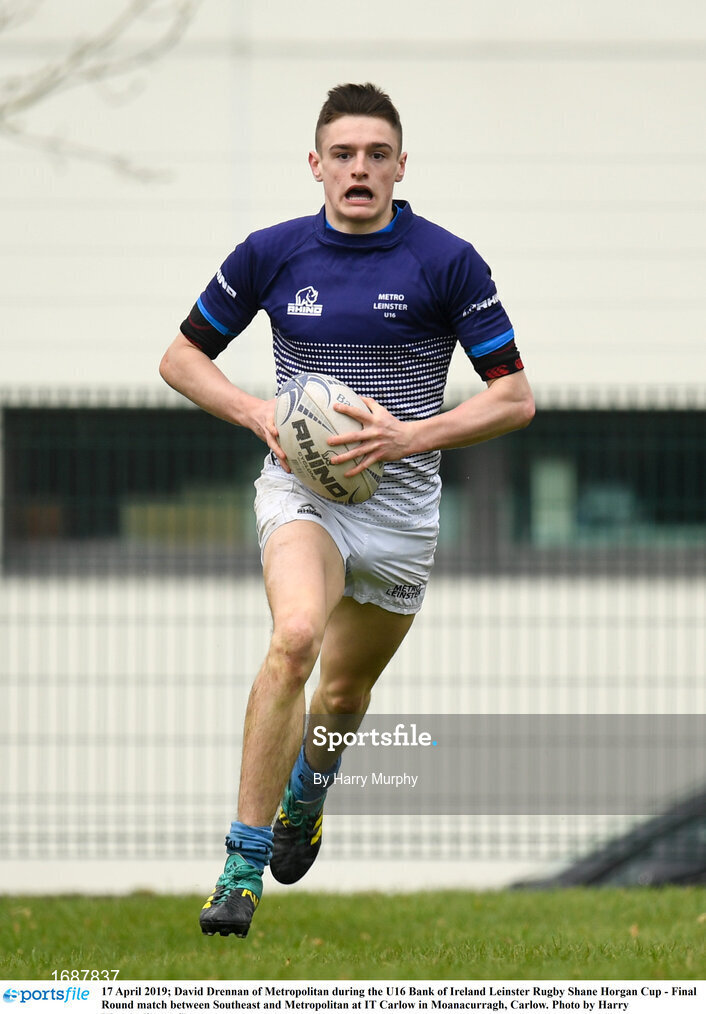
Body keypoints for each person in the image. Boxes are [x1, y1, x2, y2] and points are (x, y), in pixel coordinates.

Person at [159, 82, 534, 937]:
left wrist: (409, 438)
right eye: (343, 154)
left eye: (376, 154)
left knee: (343, 690)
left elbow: (514, 399)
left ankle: (308, 795)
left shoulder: (447, 262)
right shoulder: (271, 254)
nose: (358, 169)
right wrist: (257, 413)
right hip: (304, 491)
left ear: (401, 167)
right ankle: (241, 869)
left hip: (400, 509)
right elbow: (180, 358)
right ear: (316, 164)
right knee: (295, 638)